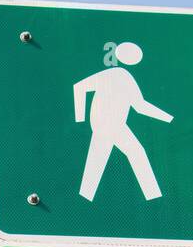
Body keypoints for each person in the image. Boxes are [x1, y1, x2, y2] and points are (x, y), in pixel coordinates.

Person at [73, 42, 173, 202]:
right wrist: (80, 119)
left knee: (122, 155)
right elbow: (79, 87)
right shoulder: (116, 74)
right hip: (106, 124)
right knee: (124, 155)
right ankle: (154, 197)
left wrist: (168, 118)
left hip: (114, 125)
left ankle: (154, 197)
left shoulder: (125, 77)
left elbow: (140, 106)